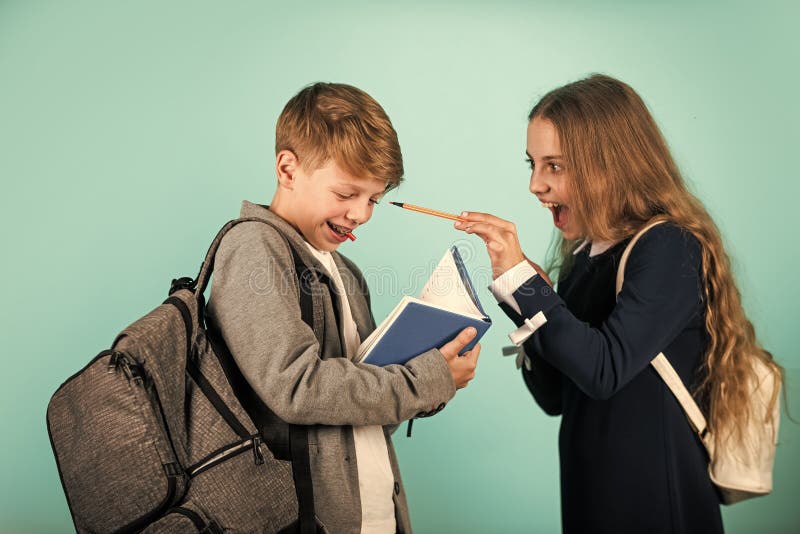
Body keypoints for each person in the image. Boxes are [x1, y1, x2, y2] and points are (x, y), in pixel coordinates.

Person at [454, 74, 782, 533]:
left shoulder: (668, 247)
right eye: (532, 163)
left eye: (555, 166)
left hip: (654, 502)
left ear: (610, 164)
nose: (534, 184)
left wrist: (525, 286)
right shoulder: (584, 256)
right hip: (593, 498)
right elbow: (555, 397)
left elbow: (602, 371)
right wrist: (525, 290)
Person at [206, 82, 480, 533]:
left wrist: (436, 378)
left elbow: (360, 408)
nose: (361, 214)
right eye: (346, 194)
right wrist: (428, 379)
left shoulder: (345, 270)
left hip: (373, 512)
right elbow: (296, 388)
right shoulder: (254, 246)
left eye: (373, 198)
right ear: (288, 169)